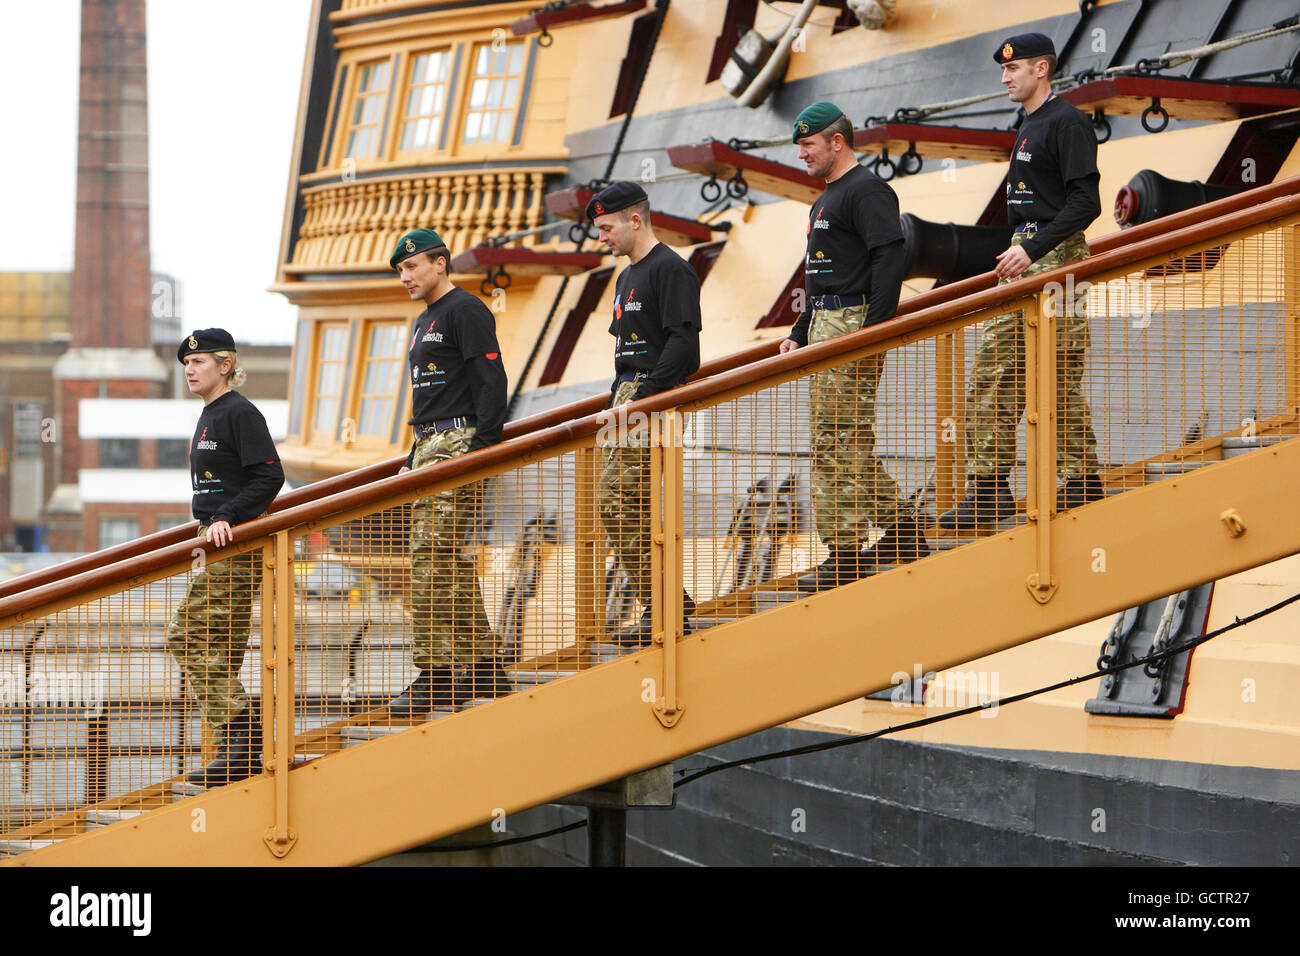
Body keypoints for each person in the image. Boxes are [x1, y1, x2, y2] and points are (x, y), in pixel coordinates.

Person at [939, 33, 1102, 530]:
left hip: (1053, 258)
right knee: (992, 376)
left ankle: (1080, 481)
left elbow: (1086, 203)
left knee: (1057, 376)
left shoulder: (1068, 123)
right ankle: (989, 490)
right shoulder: (1030, 125)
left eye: (1014, 69)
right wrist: (1024, 249)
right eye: (1003, 70)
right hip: (1025, 256)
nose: (1005, 77)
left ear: (1042, 69)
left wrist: (1033, 249)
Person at [780, 102, 930, 592]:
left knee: (835, 441)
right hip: (827, 321)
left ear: (837, 142)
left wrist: (875, 330)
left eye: (809, 145)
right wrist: (800, 331)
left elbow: (889, 257)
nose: (802, 153)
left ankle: (844, 554)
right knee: (843, 439)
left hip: (851, 323)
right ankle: (904, 529)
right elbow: (818, 277)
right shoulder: (825, 199)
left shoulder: (866, 190)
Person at [386, 228, 512, 718]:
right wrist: (414, 452)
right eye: (400, 270)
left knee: (430, 561)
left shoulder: (466, 310)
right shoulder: (425, 320)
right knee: (448, 561)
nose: (405, 276)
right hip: (429, 445)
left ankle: (436, 675)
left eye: (412, 266)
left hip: (458, 443)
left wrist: (483, 450)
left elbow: (490, 379)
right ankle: (482, 667)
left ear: (441, 263)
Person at [587, 182, 701, 646]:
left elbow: (684, 345)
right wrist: (618, 399)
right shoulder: (626, 277)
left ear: (636, 220)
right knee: (621, 505)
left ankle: (668, 605)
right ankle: (667, 602)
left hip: (653, 399)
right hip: (628, 398)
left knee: (620, 501)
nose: (601, 238)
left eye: (607, 227)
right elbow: (623, 353)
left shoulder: (671, 270)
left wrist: (645, 399)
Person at [168, 329, 284, 787]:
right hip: (213, 540)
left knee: (187, 634)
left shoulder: (239, 412)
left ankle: (243, 734)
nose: (190, 371)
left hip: (231, 546)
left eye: (198, 362)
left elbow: (269, 476)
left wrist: (226, 516)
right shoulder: (208, 415)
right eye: (186, 365)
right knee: (220, 645)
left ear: (225, 365)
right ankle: (237, 751)